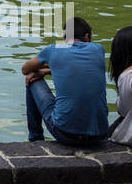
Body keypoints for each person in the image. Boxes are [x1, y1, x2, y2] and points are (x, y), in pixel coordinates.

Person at [20, 16, 108, 146]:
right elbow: (76, 67)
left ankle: (35, 138)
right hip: (99, 135)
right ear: (87, 36)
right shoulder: (98, 49)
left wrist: (42, 70)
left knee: (32, 79)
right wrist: (49, 70)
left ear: (65, 37)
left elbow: (25, 69)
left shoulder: (54, 49)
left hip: (65, 134)